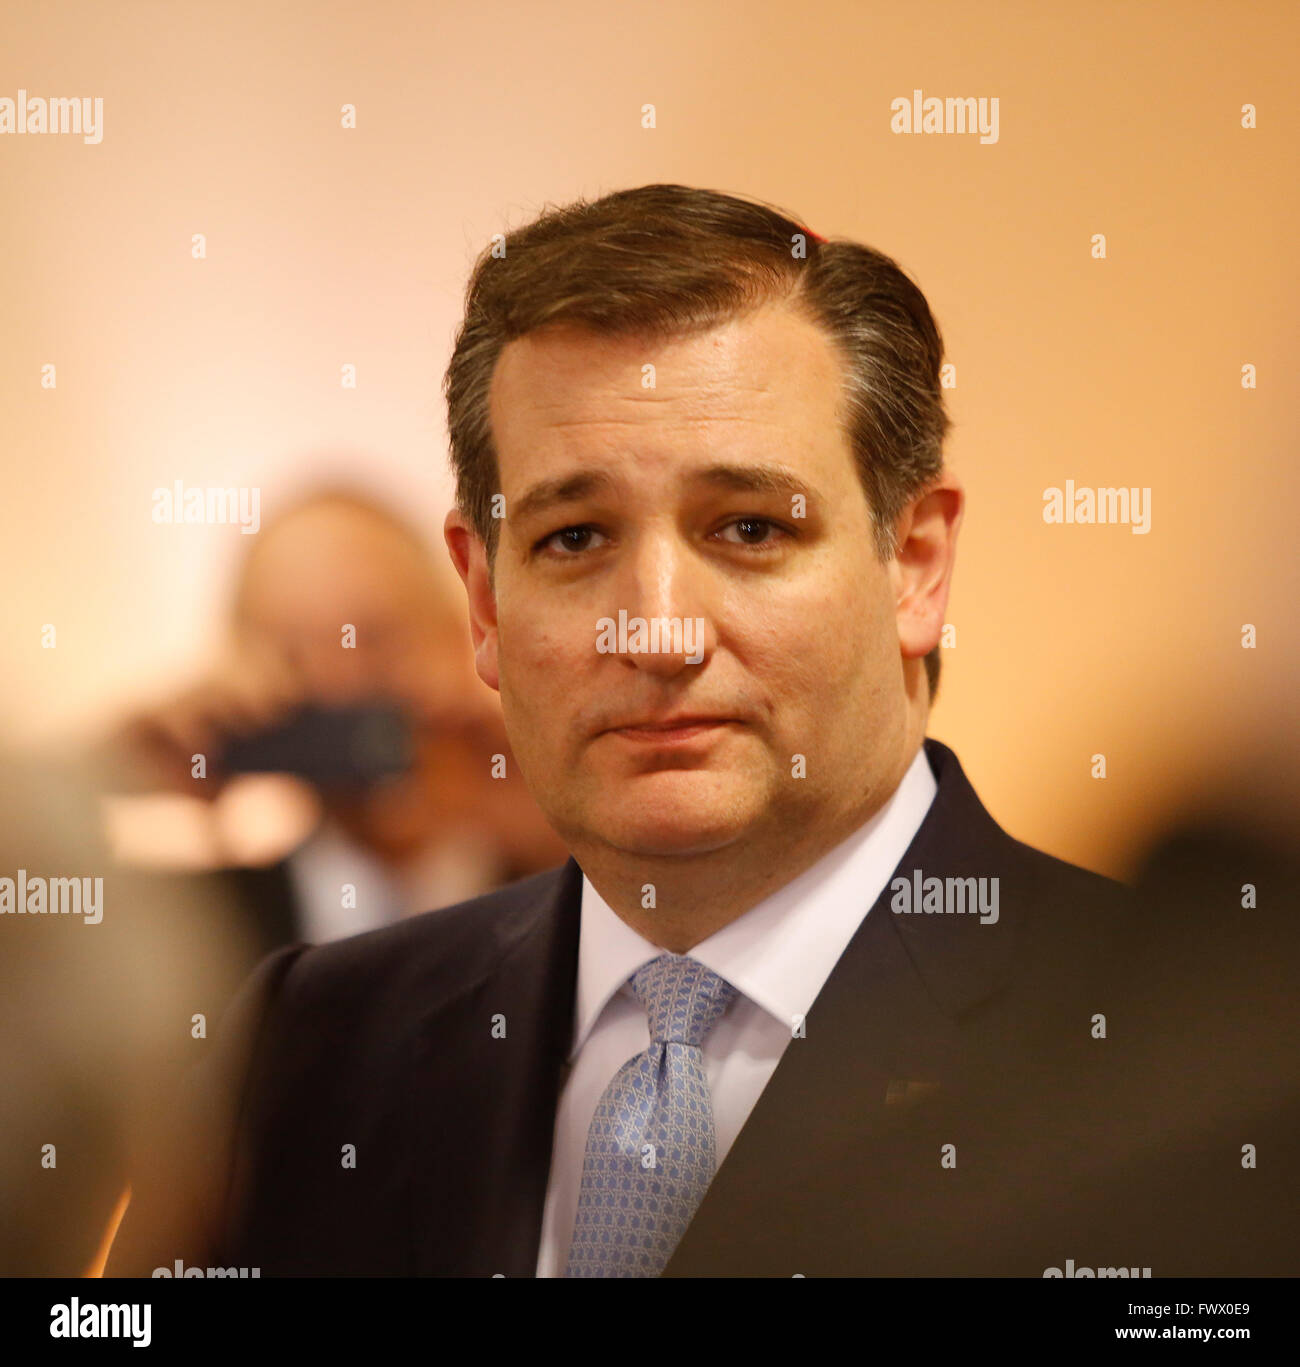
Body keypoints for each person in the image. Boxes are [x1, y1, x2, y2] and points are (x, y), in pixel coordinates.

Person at [106, 184, 1292, 1278]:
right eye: (574, 539)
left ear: (914, 565)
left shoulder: (1213, 1072)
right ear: (483, 599)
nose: (660, 633)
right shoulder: (311, 1048)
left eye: (749, 529)